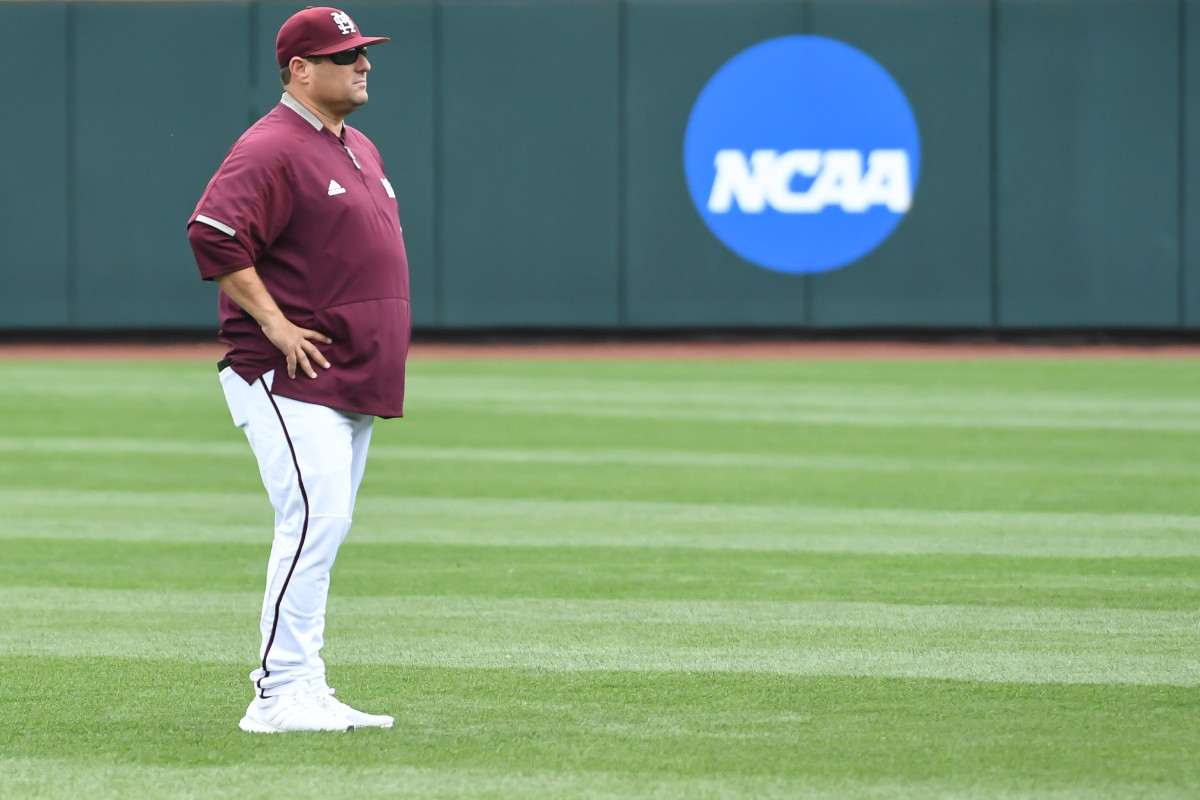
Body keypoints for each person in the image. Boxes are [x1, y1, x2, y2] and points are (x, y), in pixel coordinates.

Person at [186, 6, 410, 733]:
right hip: (288, 373)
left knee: (327, 525)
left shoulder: (357, 147)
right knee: (315, 519)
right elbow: (213, 236)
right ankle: (277, 693)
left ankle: (306, 684)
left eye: (362, 53)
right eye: (345, 56)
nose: (362, 64)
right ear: (299, 70)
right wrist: (275, 322)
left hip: (350, 370)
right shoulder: (273, 144)